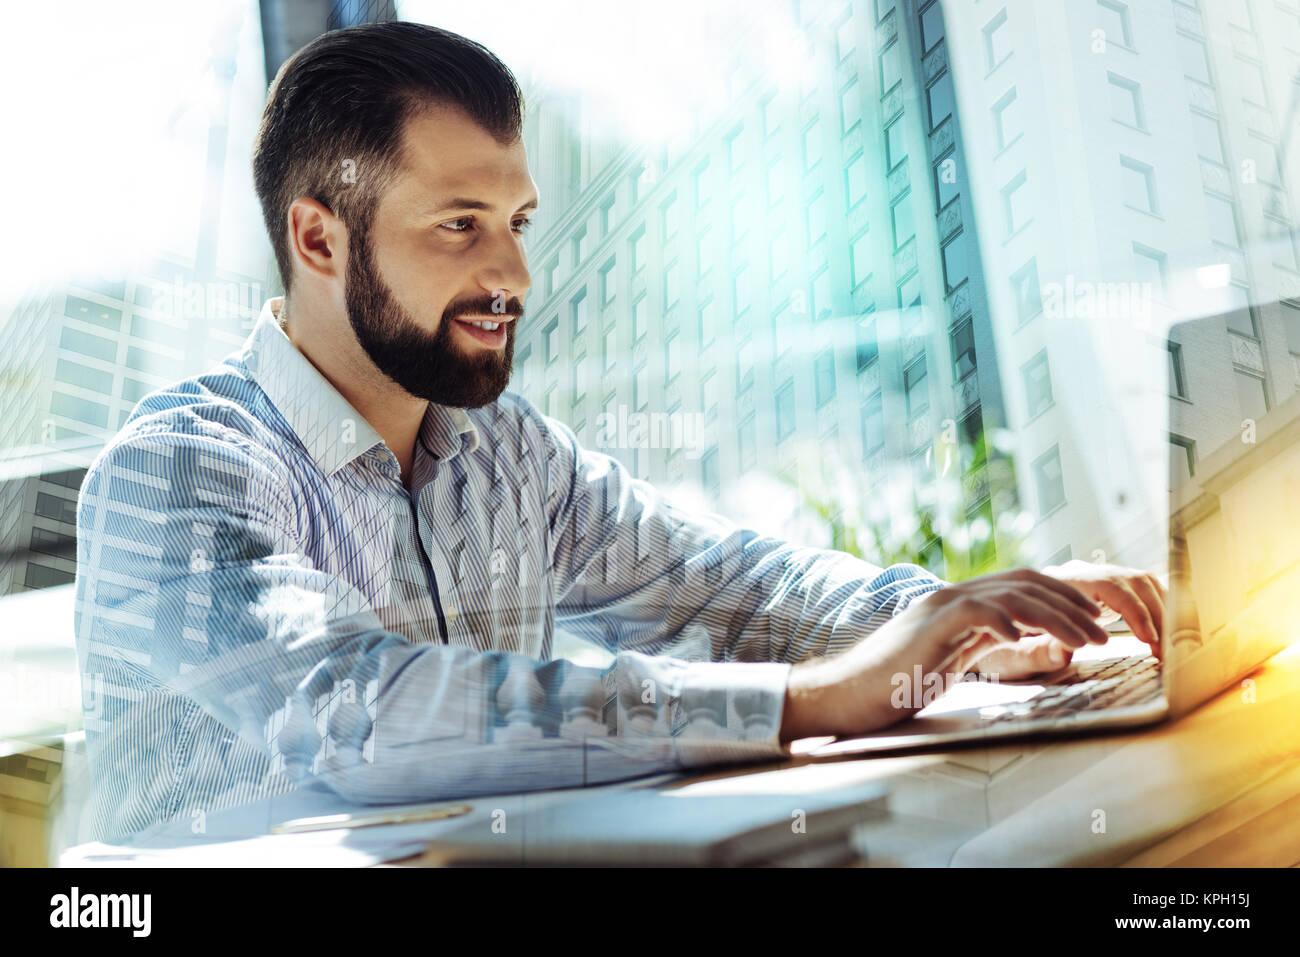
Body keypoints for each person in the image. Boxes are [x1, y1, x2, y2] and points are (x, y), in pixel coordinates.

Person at [72, 21, 1164, 843]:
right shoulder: (177, 474)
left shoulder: (501, 450)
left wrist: (950, 619)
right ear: (318, 239)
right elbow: (352, 710)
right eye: (459, 227)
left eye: (516, 224)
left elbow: (722, 589)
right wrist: (811, 702)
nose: (511, 275)